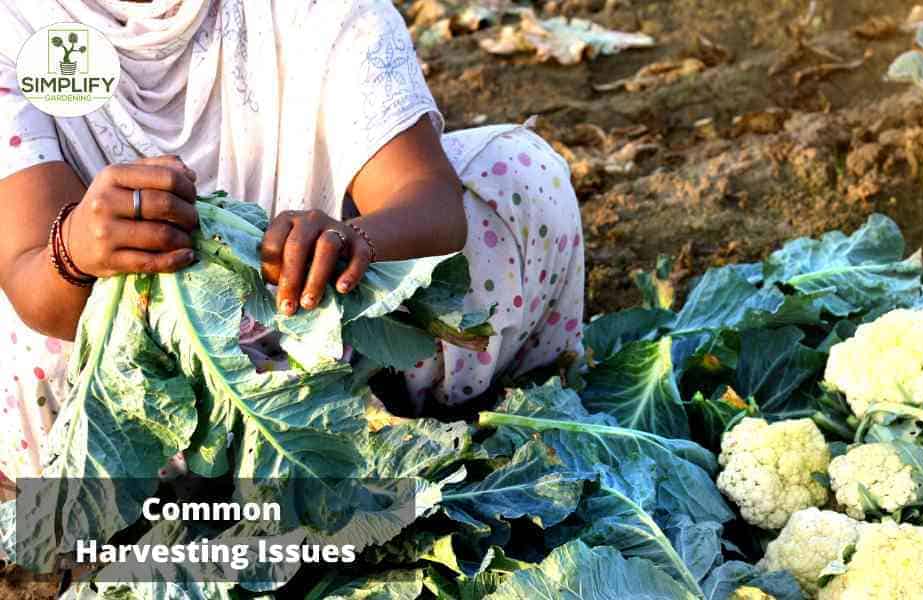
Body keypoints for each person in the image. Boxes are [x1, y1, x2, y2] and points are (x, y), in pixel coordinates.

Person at [0, 0, 585, 494]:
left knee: (518, 174)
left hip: (337, 340)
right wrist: (75, 249)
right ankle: (143, 511)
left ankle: (430, 431)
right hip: (147, 400)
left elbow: (426, 200)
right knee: (29, 335)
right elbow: (32, 279)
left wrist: (354, 241)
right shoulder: (18, 28)